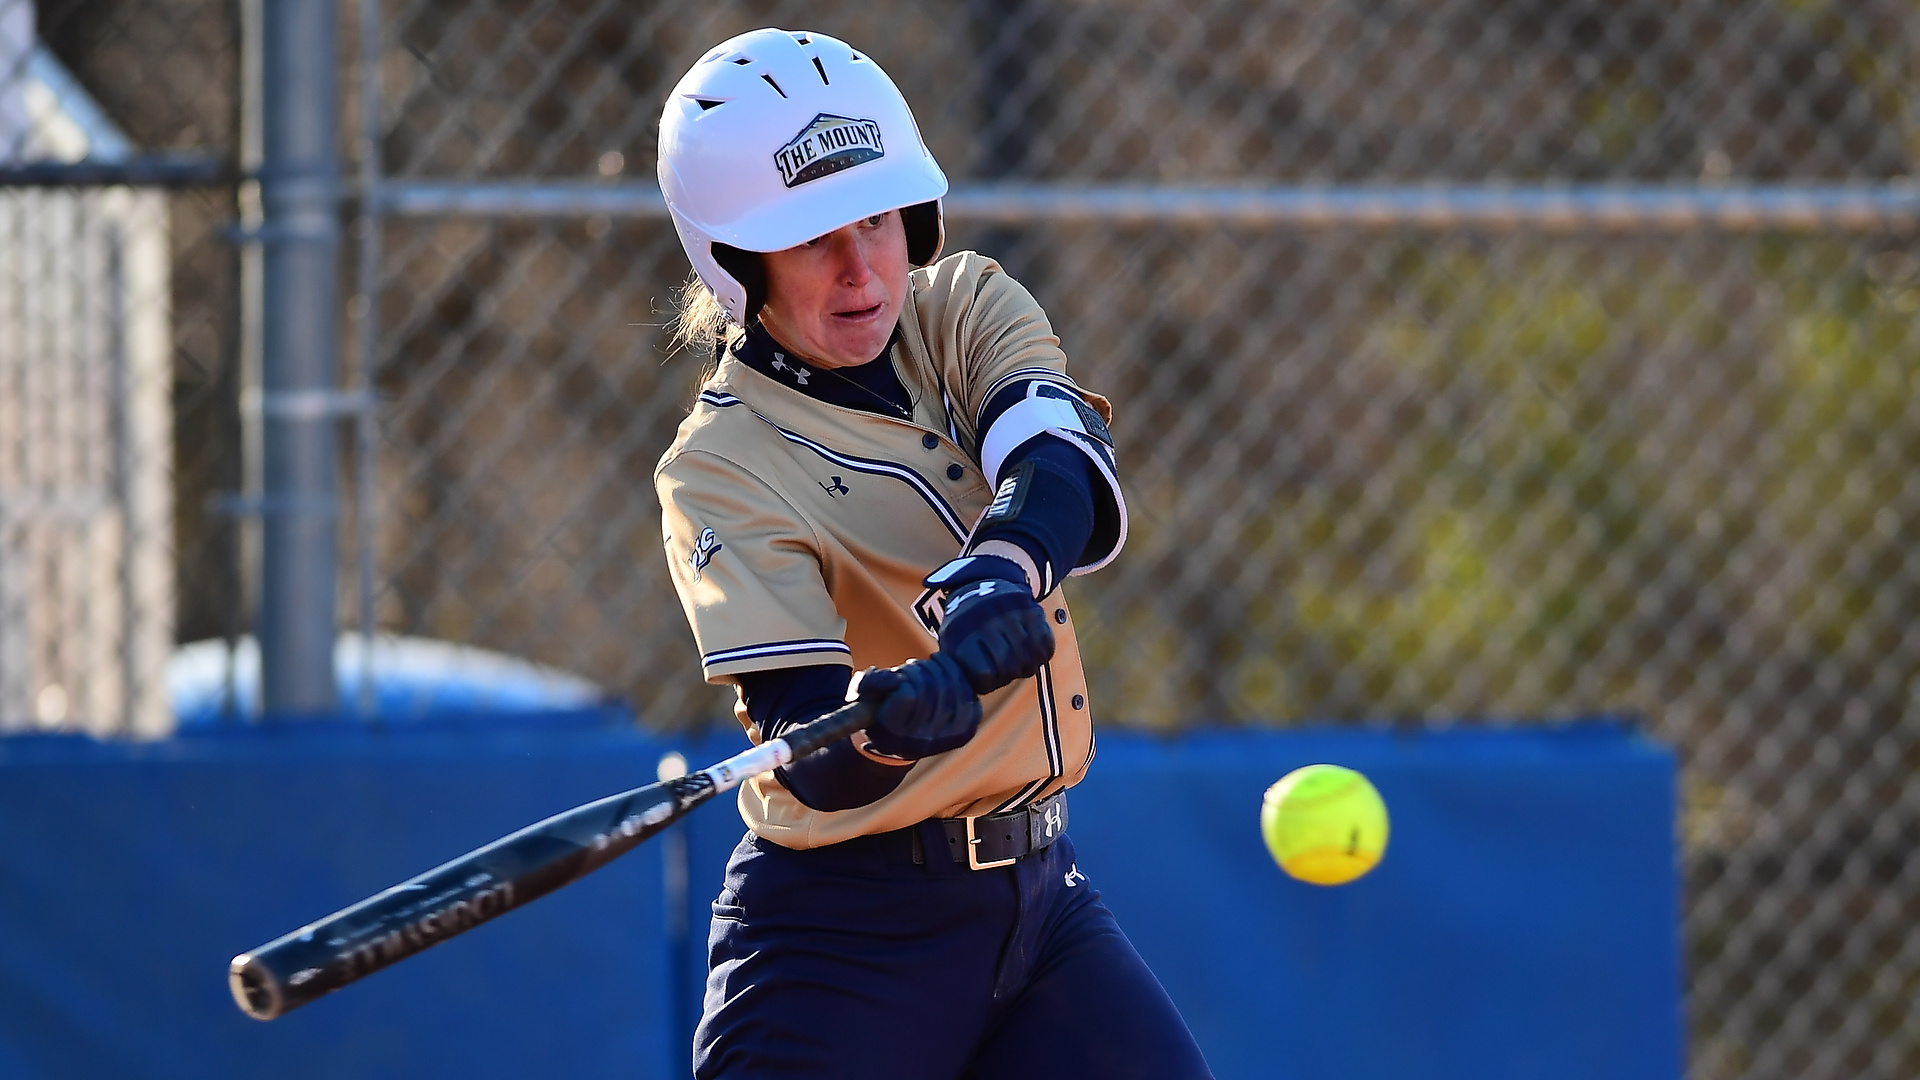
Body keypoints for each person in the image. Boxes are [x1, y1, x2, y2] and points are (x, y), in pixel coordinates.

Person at [653, 27, 1213, 1080]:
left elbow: (1060, 466)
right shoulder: (719, 467)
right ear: (733, 262)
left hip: (1042, 905)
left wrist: (999, 569)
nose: (864, 266)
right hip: (845, 935)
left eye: (877, 218)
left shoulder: (956, 305)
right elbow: (805, 742)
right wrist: (889, 729)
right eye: (814, 235)